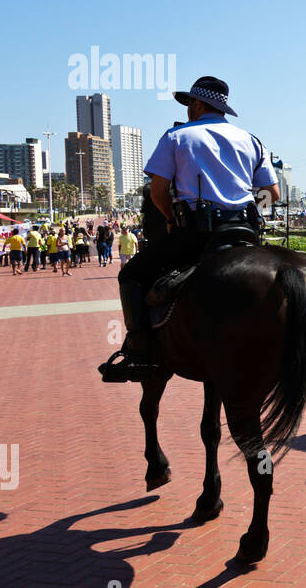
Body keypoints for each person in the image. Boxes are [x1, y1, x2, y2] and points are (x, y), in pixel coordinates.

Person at [100, 76, 278, 383]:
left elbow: (157, 192)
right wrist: (250, 213)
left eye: (188, 105)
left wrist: (170, 220)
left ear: (196, 104)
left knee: (130, 275)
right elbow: (271, 193)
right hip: (245, 233)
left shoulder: (176, 137)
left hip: (197, 234)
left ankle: (139, 354)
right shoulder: (251, 140)